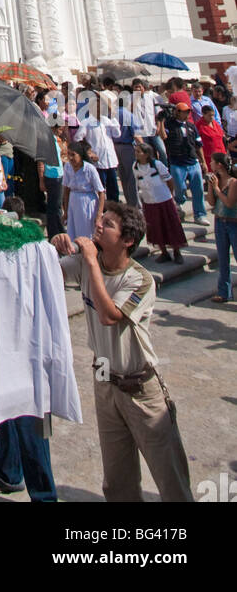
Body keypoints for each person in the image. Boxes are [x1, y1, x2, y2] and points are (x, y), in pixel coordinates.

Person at [51, 204, 193, 502]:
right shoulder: (88, 262)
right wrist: (55, 247)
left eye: (109, 224)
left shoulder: (140, 279)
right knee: (117, 483)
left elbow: (109, 315)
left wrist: (89, 261)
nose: (99, 226)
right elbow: (48, 274)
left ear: (128, 240)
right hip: (105, 383)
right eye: (100, 221)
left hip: (141, 387)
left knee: (171, 479)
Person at [132, 140, 185, 264]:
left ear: (146, 154)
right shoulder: (135, 167)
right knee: (156, 227)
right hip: (149, 201)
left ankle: (177, 251)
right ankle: (164, 252)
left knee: (170, 225)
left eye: (138, 152)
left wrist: (170, 195)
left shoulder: (157, 165)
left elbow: (169, 180)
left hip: (163, 200)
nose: (136, 154)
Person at [161, 102, 208, 227]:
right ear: (178, 112)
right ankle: (178, 204)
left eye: (188, 112)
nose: (187, 114)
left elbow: (199, 145)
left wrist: (203, 161)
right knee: (180, 188)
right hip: (177, 162)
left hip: (193, 161)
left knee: (198, 189)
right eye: (184, 112)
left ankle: (200, 214)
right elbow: (163, 136)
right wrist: (160, 121)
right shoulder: (170, 124)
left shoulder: (191, 126)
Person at [206, 152, 237, 303]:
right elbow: (212, 202)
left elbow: (229, 203)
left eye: (212, 162)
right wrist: (211, 187)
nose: (210, 164)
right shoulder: (215, 180)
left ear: (219, 165)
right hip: (219, 222)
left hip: (233, 223)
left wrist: (217, 188)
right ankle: (224, 292)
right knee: (223, 259)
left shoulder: (233, 182)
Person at [74, 100, 120, 201]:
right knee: (100, 188)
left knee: (114, 190)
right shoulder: (86, 122)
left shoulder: (107, 121)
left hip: (110, 160)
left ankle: (114, 210)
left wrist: (113, 118)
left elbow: (117, 134)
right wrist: (89, 151)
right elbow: (78, 138)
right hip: (98, 161)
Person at [62, 141, 105, 240]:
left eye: (73, 155)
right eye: (69, 154)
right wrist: (66, 211)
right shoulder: (68, 167)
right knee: (73, 232)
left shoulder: (90, 169)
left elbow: (101, 193)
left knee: (87, 232)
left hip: (87, 202)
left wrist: (99, 215)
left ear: (80, 155)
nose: (71, 158)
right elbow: (66, 190)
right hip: (73, 202)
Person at [38, 130, 64, 237]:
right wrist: (41, 180)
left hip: (59, 175)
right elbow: (40, 162)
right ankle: (54, 232)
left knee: (57, 206)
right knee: (53, 207)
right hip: (51, 176)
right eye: (60, 129)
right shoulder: (45, 141)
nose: (61, 131)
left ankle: (58, 229)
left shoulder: (55, 139)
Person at [196, 104, 226, 171]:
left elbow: (221, 135)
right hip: (209, 157)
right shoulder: (199, 126)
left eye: (213, 115)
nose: (212, 117)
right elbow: (196, 143)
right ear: (203, 114)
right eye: (209, 115)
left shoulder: (215, 123)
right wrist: (201, 160)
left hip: (221, 154)